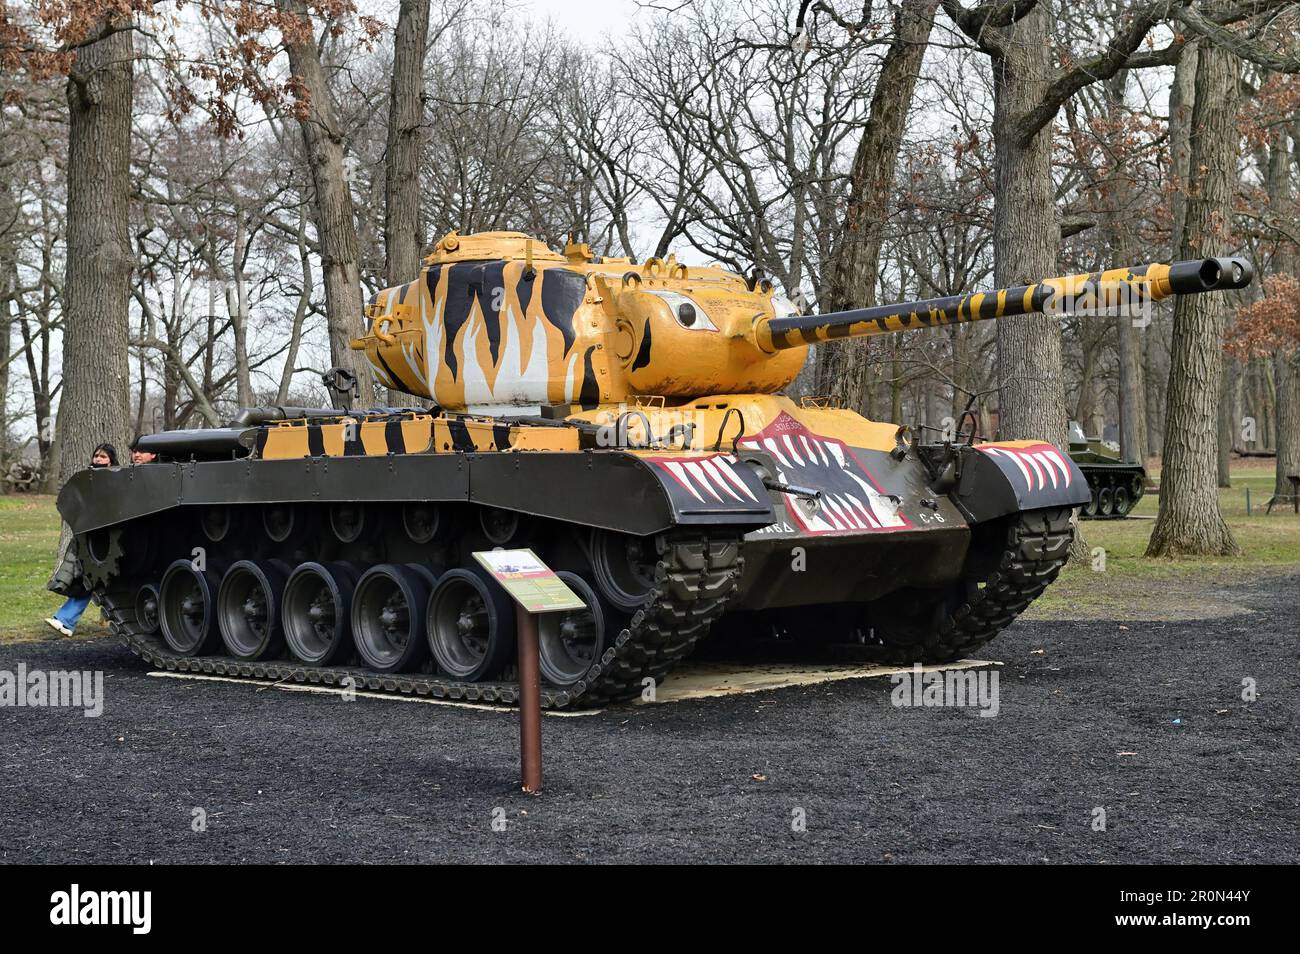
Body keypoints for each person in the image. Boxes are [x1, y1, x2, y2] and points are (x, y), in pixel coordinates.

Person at [44, 443, 117, 637]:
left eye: (103, 457)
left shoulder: (116, 479)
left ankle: (66, 620)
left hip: (106, 540)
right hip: (88, 537)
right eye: (96, 456)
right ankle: (66, 620)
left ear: (111, 460)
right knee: (87, 579)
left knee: (91, 579)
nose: (98, 460)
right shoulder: (87, 479)